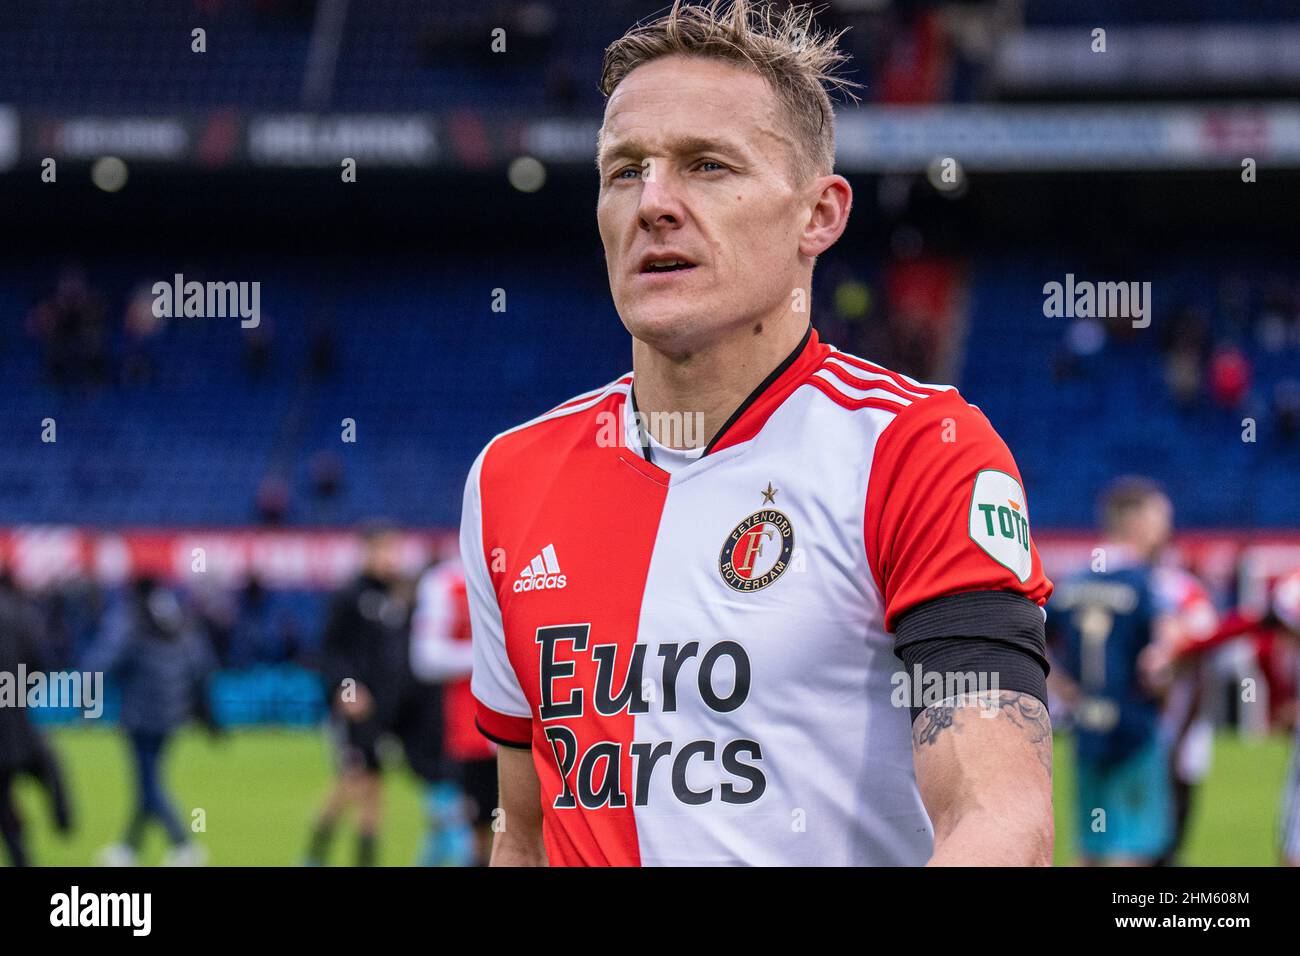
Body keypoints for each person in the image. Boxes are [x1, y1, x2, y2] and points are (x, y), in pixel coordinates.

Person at [463, 0, 1054, 867]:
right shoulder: (510, 476)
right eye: (624, 170)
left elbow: (1001, 823)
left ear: (819, 213)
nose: (654, 203)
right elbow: (525, 830)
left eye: (707, 166)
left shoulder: (920, 453)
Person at [1048, 478, 1180, 866]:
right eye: (1160, 517)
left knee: (1091, 843)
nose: (1165, 529)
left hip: (1087, 725)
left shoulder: (1075, 579)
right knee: (1131, 845)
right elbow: (1164, 646)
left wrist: (1060, 684)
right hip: (1133, 727)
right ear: (1136, 521)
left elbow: (1031, 637)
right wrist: (1163, 669)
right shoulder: (1146, 581)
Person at [86, 577, 217, 866]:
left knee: (148, 785)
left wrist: (88, 692)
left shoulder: (131, 618)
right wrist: (206, 713)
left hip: (141, 714)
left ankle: (183, 844)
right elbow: (200, 666)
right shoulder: (178, 617)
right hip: (171, 714)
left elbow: (105, 660)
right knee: (148, 780)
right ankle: (129, 848)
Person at [303, 524, 412, 866]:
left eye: (393, 551)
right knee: (353, 781)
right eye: (382, 550)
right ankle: (313, 856)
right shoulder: (349, 597)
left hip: (384, 709)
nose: (389, 558)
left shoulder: (397, 597)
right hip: (355, 709)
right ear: (366, 552)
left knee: (374, 790)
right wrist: (347, 691)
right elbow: (332, 653)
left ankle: (360, 860)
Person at [411, 557, 497, 866]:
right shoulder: (446, 582)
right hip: (471, 729)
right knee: (480, 824)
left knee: (521, 821)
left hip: (526, 726)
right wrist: (486, 657)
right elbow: (426, 657)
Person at [0, 572, 74, 866]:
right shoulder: (23, 616)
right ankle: (61, 812)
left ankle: (20, 853)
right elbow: (40, 664)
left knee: (3, 796)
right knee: (44, 763)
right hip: (17, 715)